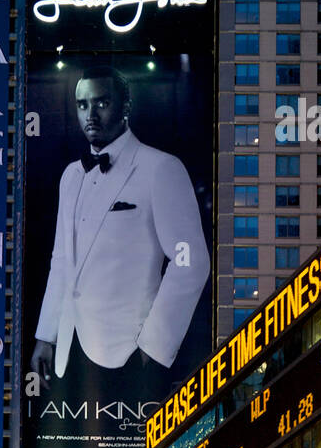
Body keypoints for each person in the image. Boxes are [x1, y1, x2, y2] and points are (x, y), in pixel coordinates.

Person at [31, 66, 209, 396]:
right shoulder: (71, 176)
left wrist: (153, 347)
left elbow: (191, 261)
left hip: (129, 354)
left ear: (125, 106)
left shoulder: (161, 168)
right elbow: (61, 262)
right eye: (83, 105)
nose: (91, 115)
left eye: (101, 103)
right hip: (69, 351)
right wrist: (46, 335)